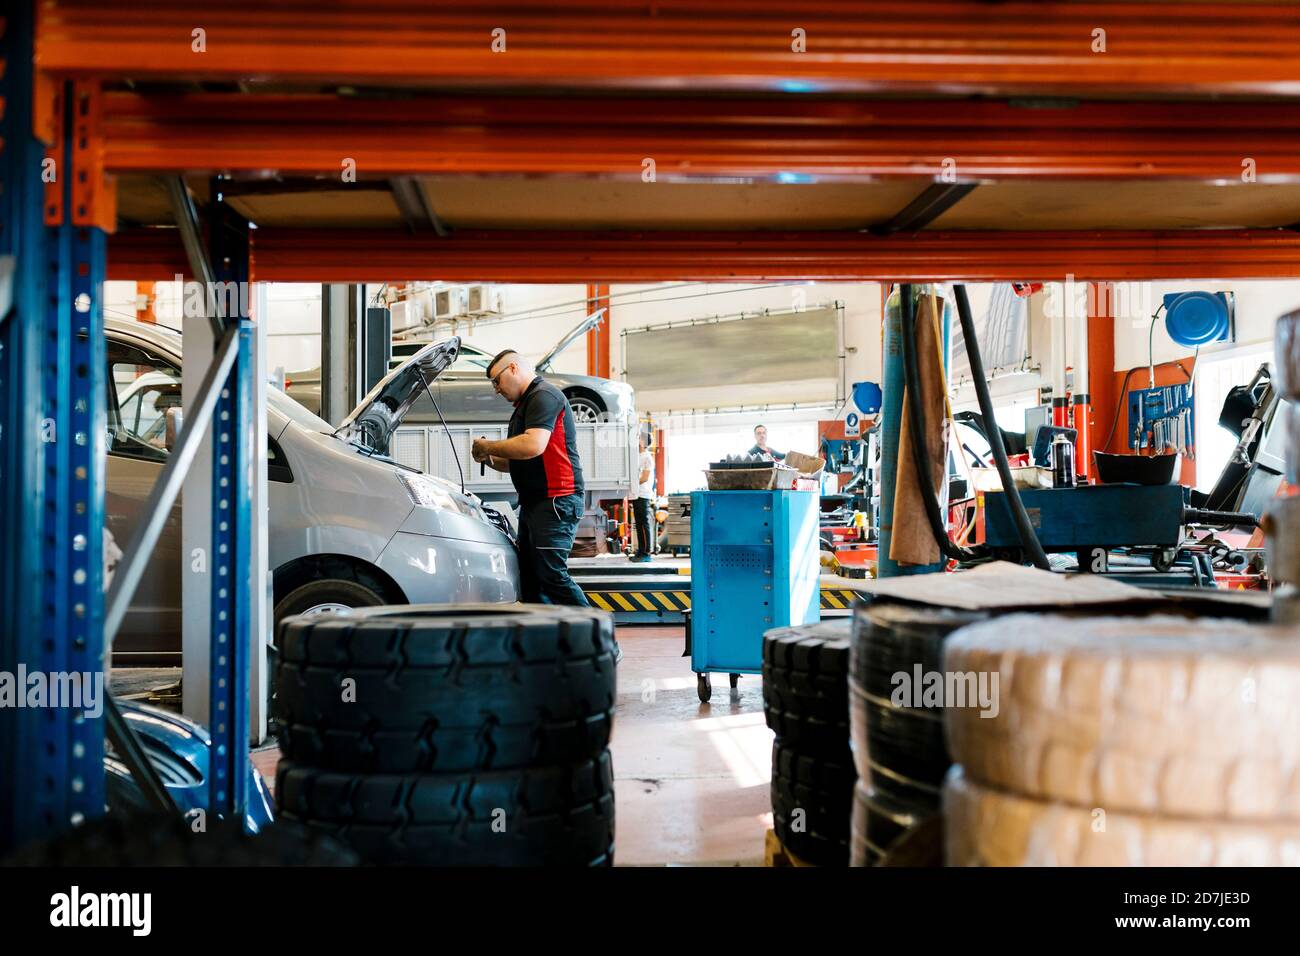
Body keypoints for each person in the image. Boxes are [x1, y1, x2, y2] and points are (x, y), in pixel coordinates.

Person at [471, 350, 592, 608]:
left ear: (513, 368)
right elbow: (519, 459)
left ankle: (599, 639)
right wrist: (489, 458)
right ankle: (547, 640)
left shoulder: (544, 396)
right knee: (530, 580)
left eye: (496, 381)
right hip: (536, 503)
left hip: (555, 502)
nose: (496, 389)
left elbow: (532, 446)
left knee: (552, 577)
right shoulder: (525, 405)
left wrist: (489, 446)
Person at [630, 432, 655, 563]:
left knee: (643, 524)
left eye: (639, 438)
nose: (637, 439)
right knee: (639, 524)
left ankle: (646, 553)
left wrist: (632, 485)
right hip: (636, 493)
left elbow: (644, 478)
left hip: (643, 493)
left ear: (643, 442)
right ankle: (640, 551)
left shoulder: (647, 457)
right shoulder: (637, 456)